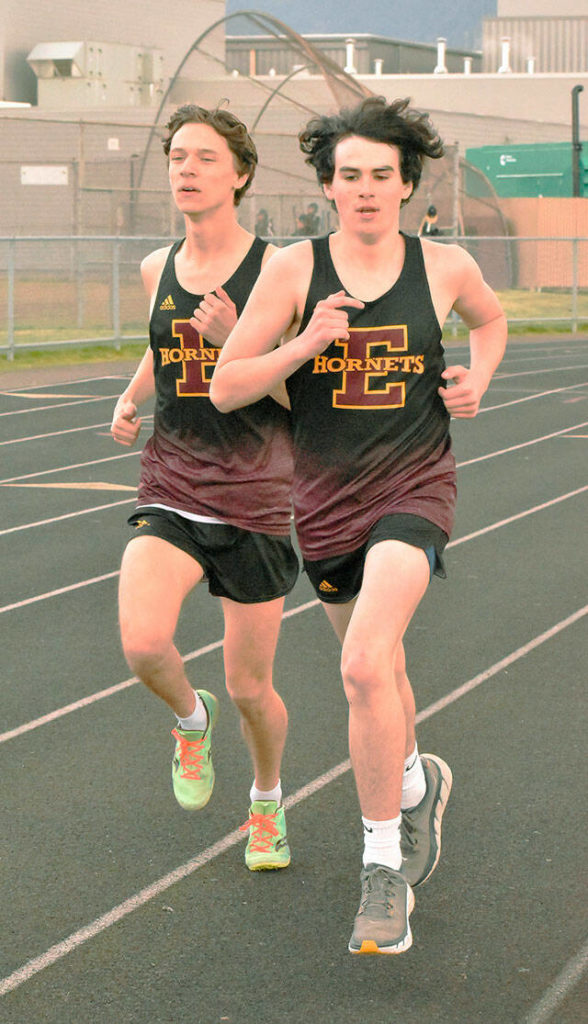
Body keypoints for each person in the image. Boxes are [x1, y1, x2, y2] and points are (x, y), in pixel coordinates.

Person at [210, 96, 507, 951]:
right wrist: (304, 345)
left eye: (384, 175)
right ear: (329, 188)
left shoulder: (443, 266)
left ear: (409, 184)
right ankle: (414, 784)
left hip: (415, 485)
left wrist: (477, 376)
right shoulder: (294, 271)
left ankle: (382, 868)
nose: (368, 190)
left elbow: (491, 322)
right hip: (326, 504)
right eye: (351, 177)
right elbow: (228, 385)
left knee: (365, 662)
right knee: (381, 673)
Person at [110, 104, 298, 871]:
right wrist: (129, 397)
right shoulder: (159, 268)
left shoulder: (278, 272)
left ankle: (266, 801)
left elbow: (308, 401)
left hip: (255, 497)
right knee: (144, 641)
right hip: (173, 480)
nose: (186, 170)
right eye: (177, 156)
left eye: (205, 158)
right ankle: (191, 722)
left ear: (241, 173)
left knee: (251, 689)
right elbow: (163, 349)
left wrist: (237, 349)